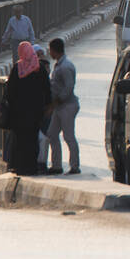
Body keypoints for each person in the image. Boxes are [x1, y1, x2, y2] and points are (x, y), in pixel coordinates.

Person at [4, 41, 51, 176]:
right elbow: (47, 89)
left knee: (20, 140)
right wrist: (46, 105)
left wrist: (11, 105)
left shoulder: (17, 68)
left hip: (19, 112)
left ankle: (20, 167)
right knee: (32, 138)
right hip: (36, 111)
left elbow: (10, 91)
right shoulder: (39, 68)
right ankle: (32, 167)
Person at [46, 37, 80, 175]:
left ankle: (75, 166)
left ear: (54, 50)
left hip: (67, 106)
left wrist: (56, 102)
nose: (50, 53)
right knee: (52, 134)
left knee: (69, 136)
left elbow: (68, 87)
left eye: (50, 50)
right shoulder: (60, 65)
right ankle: (56, 166)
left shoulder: (65, 66)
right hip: (59, 106)